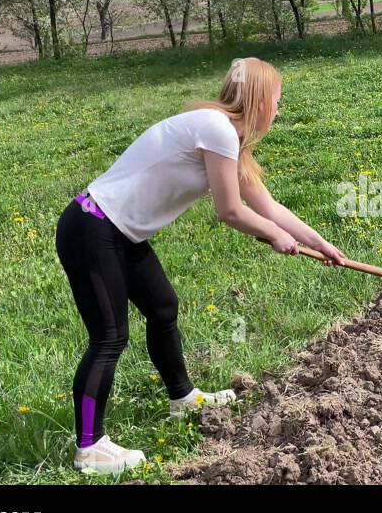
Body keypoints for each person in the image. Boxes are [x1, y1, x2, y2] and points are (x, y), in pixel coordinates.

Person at [54, 57, 345, 474]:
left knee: (162, 308)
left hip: (121, 233)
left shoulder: (225, 137)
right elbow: (230, 211)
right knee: (110, 337)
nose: (279, 109)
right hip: (93, 227)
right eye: (277, 100)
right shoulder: (216, 129)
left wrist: (321, 244)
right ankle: (89, 448)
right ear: (259, 100)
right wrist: (277, 238)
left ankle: (183, 398)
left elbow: (266, 206)